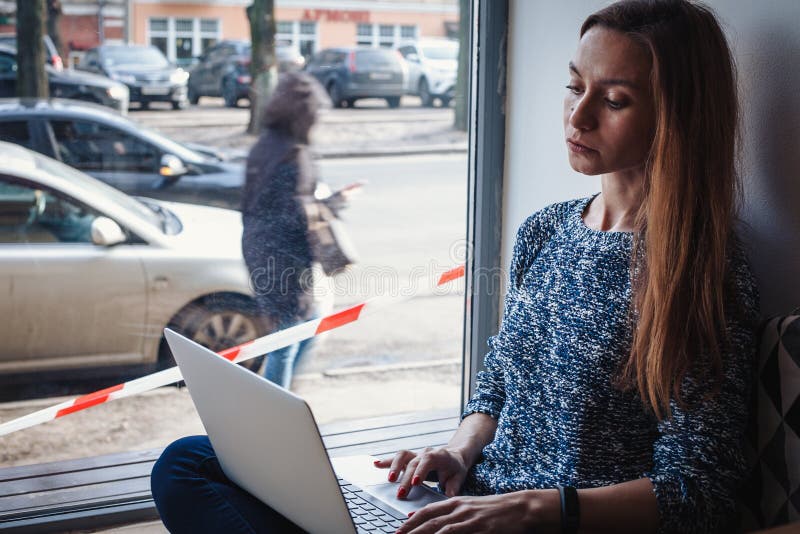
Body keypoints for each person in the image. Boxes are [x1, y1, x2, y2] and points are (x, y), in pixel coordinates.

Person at [150, 1, 759, 532]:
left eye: (616, 100)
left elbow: (698, 493)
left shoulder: (703, 275)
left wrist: (533, 510)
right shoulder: (547, 230)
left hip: (540, 524)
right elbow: (498, 383)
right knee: (189, 463)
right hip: (472, 507)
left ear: (675, 118)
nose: (578, 117)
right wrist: (459, 451)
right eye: (576, 87)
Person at [240, 71, 333, 388]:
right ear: (302, 115)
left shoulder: (266, 147)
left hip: (262, 252)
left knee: (304, 327)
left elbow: (262, 205)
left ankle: (277, 404)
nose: (318, 119)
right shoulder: (293, 155)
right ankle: (274, 411)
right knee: (287, 340)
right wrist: (331, 206)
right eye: (315, 113)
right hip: (285, 262)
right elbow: (293, 213)